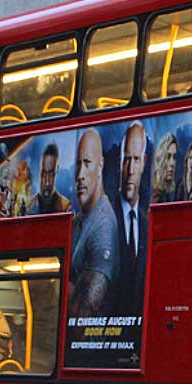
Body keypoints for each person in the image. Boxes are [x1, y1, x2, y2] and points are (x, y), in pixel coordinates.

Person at [69, 129, 119, 317]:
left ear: (100, 166)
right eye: (78, 164)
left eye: (87, 163)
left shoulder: (103, 225)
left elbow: (87, 307)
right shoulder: (80, 220)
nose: (80, 174)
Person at [114, 123, 149, 315]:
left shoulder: (147, 224)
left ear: (144, 162)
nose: (131, 170)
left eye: (136, 160)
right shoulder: (106, 219)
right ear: (120, 164)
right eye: (126, 160)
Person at [27, 142, 71, 215]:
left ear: (57, 170)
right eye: (43, 173)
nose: (47, 182)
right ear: (39, 169)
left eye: (51, 174)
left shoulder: (65, 207)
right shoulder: (29, 207)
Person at [151, 131, 178, 204]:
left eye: (174, 157)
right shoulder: (156, 196)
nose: (172, 163)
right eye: (168, 157)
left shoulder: (164, 192)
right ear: (160, 158)